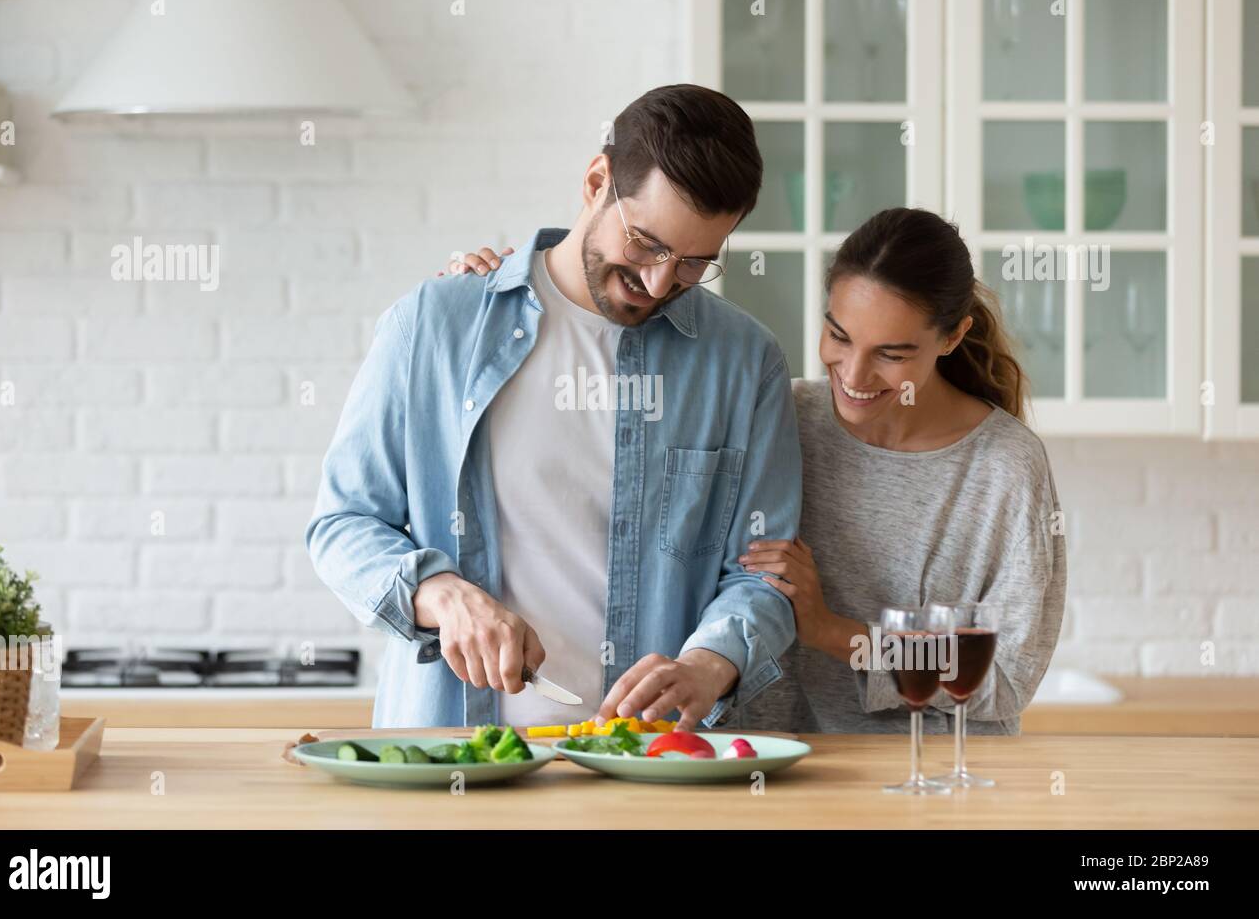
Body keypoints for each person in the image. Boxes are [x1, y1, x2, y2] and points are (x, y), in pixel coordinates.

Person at [449, 207, 1065, 735]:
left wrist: (832, 632)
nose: (852, 374)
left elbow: (1006, 678)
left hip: (925, 783)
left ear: (953, 336)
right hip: (755, 771)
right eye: (838, 336)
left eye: (892, 354)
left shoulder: (1005, 468)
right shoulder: (782, 412)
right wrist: (504, 293)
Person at [306, 84, 803, 731]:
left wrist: (712, 663)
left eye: (691, 264)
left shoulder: (744, 362)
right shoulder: (435, 326)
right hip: (452, 755)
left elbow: (762, 572)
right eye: (647, 245)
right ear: (597, 181)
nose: (658, 284)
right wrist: (442, 595)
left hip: (646, 767)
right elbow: (342, 525)